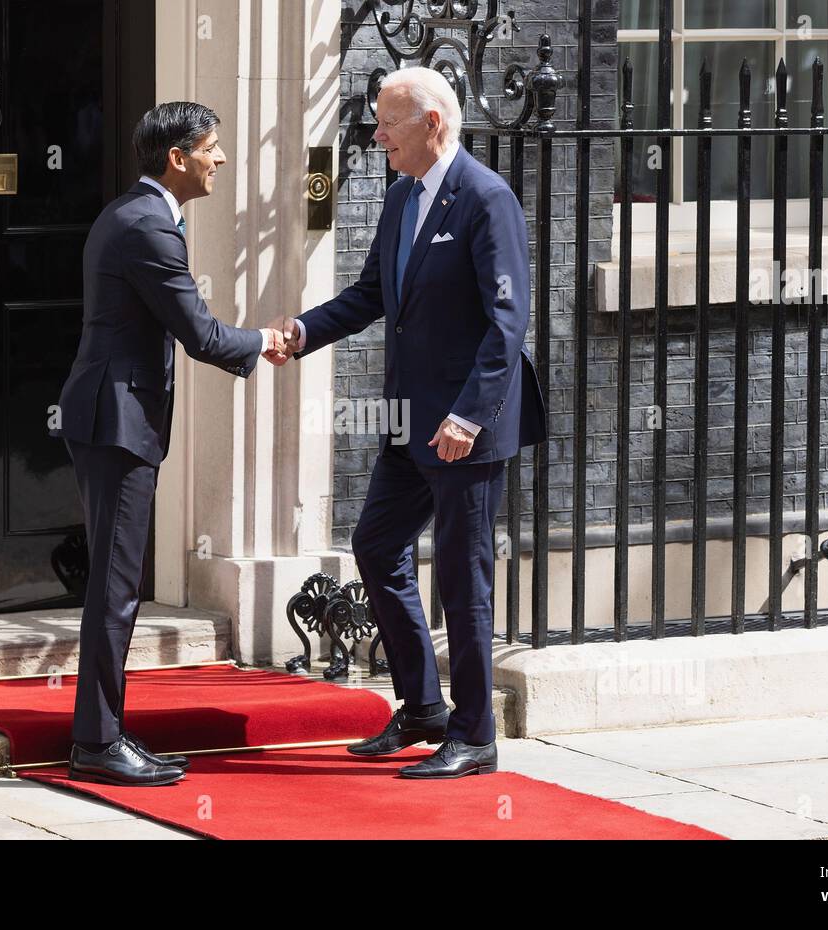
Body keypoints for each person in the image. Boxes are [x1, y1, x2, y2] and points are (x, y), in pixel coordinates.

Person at [275, 67, 546, 778]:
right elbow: (370, 294)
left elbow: (508, 322)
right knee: (375, 544)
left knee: (463, 577)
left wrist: (468, 414)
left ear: (431, 123)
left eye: (387, 121)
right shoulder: (401, 197)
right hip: (408, 421)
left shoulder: (487, 200)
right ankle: (423, 707)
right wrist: (301, 332)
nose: (377, 133)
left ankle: (475, 733)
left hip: (465, 425)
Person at [52, 102, 290, 787]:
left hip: (112, 418)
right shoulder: (150, 225)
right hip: (117, 423)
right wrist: (266, 341)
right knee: (117, 586)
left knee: (114, 581)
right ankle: (97, 743)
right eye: (212, 148)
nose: (220, 160)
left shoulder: (132, 214)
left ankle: (103, 734)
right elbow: (201, 334)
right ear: (177, 158)